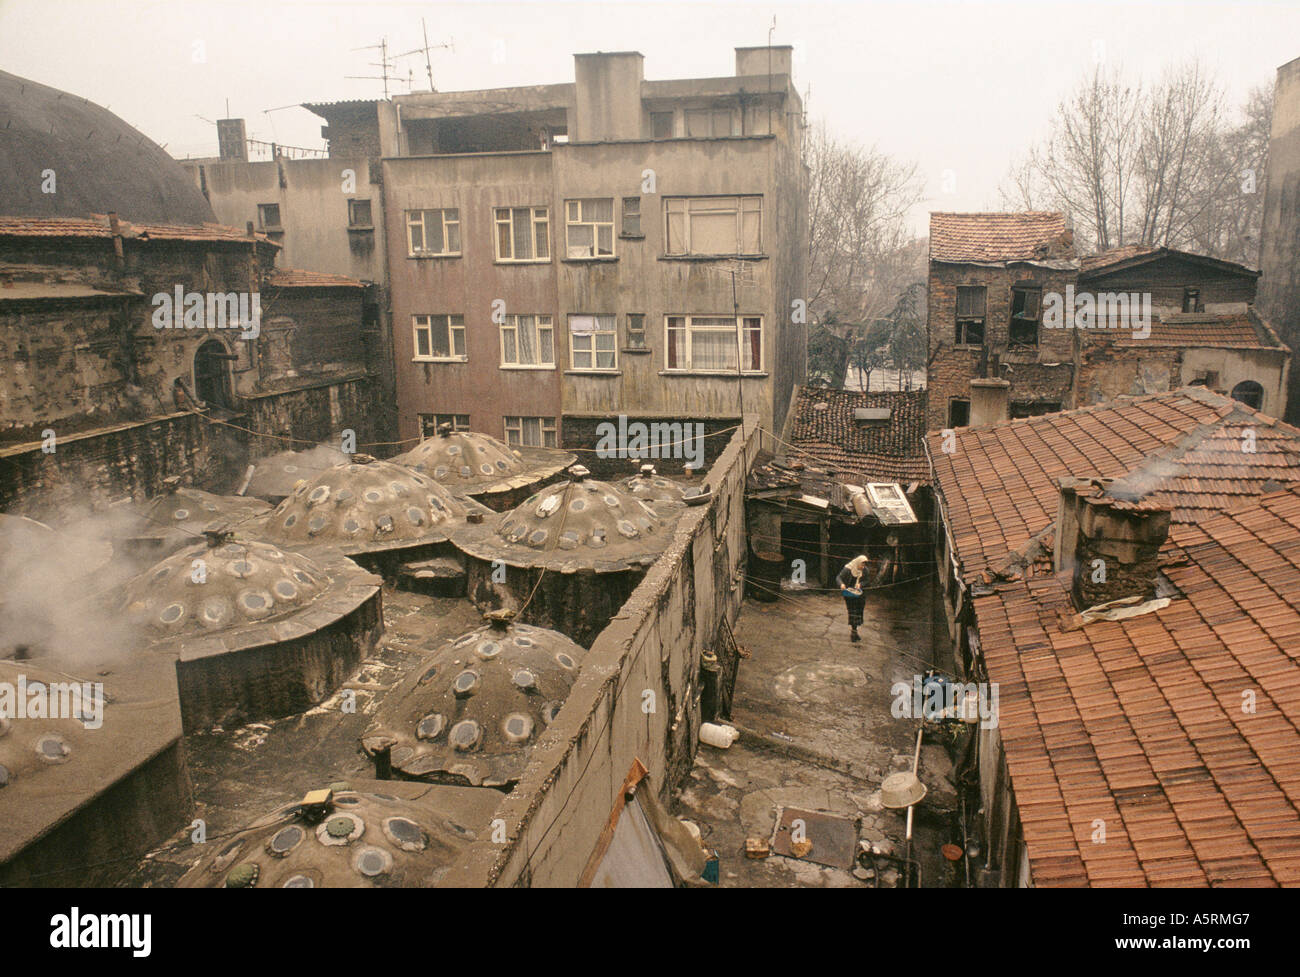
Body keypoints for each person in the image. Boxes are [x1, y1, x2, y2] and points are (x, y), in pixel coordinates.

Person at [836, 554, 869, 642]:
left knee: (859, 612)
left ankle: (855, 631)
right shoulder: (848, 569)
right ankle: (853, 633)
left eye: (864, 565)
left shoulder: (865, 570)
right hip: (849, 594)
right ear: (857, 563)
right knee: (852, 612)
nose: (863, 566)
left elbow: (867, 580)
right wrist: (842, 584)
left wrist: (861, 584)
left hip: (859, 594)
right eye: (862, 564)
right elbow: (838, 577)